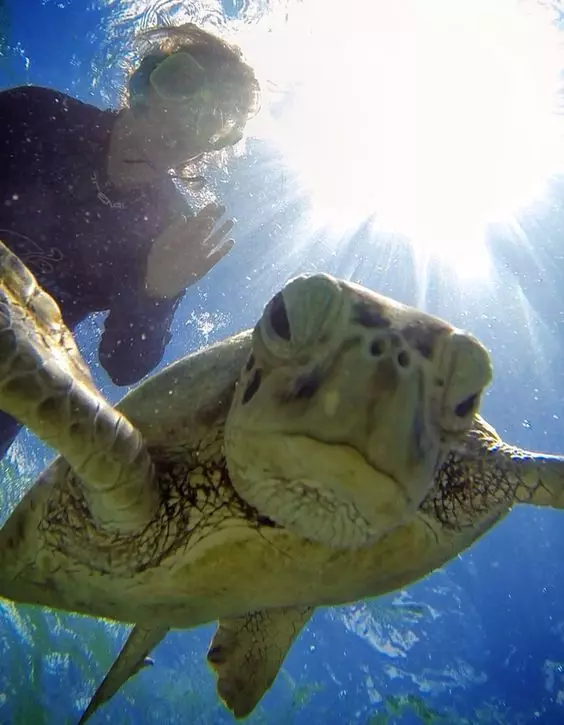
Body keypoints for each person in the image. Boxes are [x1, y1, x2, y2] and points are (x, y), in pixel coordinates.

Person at [0, 23, 260, 458]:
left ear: (200, 150)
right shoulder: (37, 118)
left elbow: (122, 366)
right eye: (179, 88)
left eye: (182, 138)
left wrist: (157, 291)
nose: (160, 139)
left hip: (11, 378)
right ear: (141, 84)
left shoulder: (165, 233)